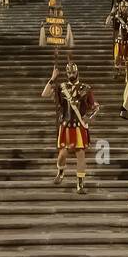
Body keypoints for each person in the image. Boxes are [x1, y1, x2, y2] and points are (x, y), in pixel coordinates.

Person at [42, 62, 97, 194]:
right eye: (68, 73)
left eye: (73, 72)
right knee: (62, 155)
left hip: (79, 126)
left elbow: (95, 106)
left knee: (80, 154)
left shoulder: (86, 88)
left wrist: (90, 117)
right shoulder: (61, 88)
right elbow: (44, 94)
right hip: (66, 126)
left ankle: (80, 184)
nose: (71, 75)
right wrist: (53, 78)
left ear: (77, 72)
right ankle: (61, 172)